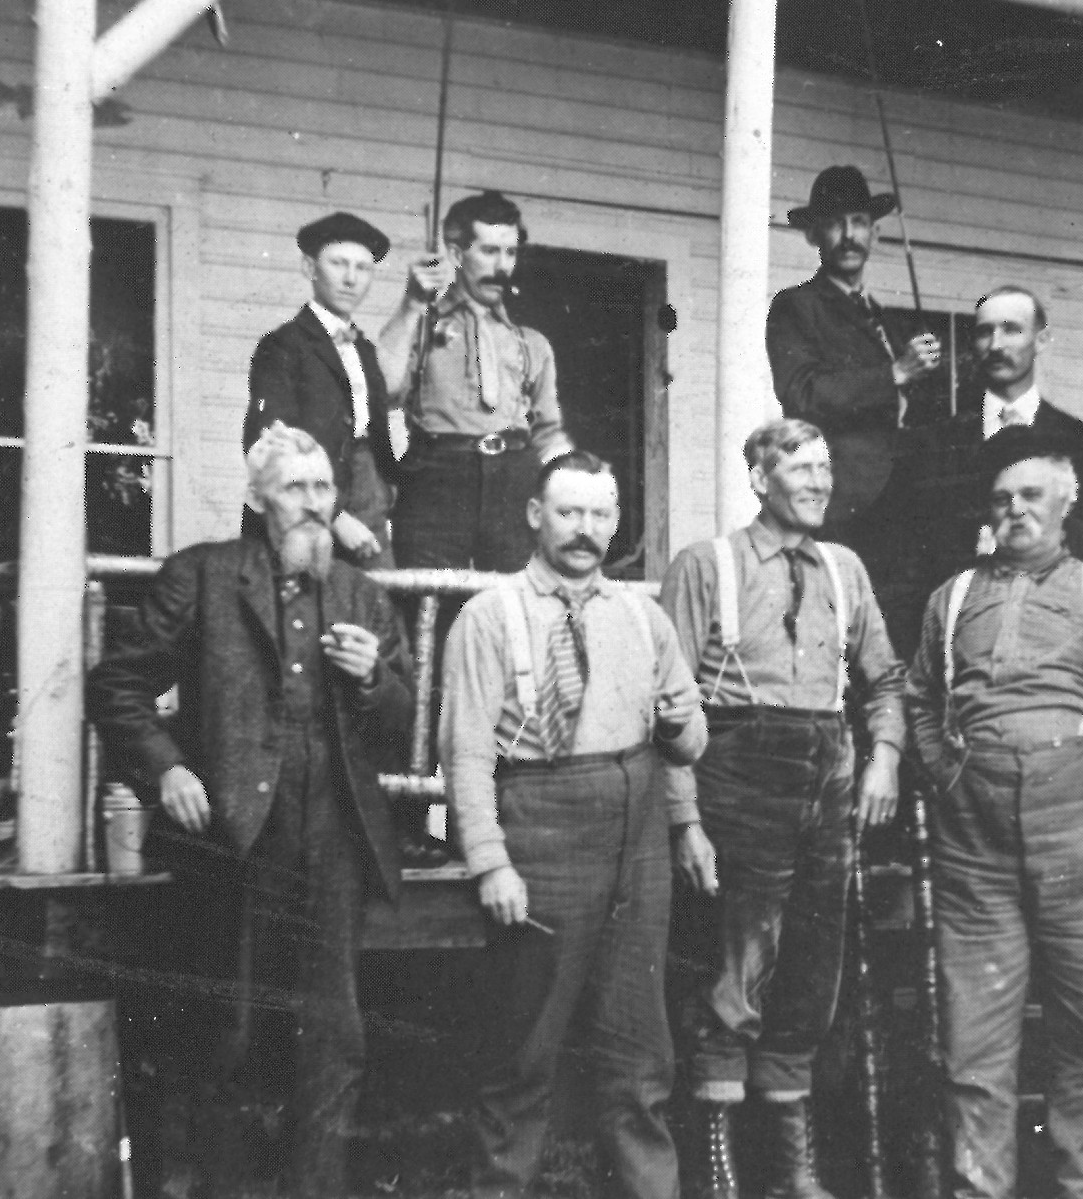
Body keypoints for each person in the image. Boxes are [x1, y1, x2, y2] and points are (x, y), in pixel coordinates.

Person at [89, 422, 412, 1198]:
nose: (313, 505)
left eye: (324, 489)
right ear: (255, 497)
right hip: (234, 839)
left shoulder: (362, 595)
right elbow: (117, 688)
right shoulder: (203, 576)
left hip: (337, 838)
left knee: (334, 1039)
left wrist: (375, 680)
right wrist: (166, 769)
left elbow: (401, 731)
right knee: (225, 1033)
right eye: (296, 489)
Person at [904, 425, 1083, 1199]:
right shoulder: (950, 599)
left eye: (1030, 496)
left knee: (1080, 1032)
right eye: (1001, 499)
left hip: (1082, 827)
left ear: (1066, 502)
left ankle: (1076, 1187)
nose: (1013, 511)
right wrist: (944, 768)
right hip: (975, 836)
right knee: (972, 1039)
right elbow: (923, 699)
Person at [439, 450, 709, 1199]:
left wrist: (684, 725)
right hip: (541, 828)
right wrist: (491, 862)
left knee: (640, 1054)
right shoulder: (489, 618)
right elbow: (464, 755)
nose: (584, 530)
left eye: (599, 514)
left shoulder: (642, 616)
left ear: (615, 522)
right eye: (568, 512)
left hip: (638, 833)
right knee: (522, 1056)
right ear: (535, 516)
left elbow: (687, 742)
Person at [659, 419, 907, 1199]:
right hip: (737, 772)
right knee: (735, 971)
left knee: (809, 973)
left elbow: (887, 682)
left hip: (827, 777)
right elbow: (663, 703)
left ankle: (793, 1174)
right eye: (800, 469)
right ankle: (721, 1173)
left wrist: (886, 757)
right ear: (760, 480)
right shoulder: (709, 566)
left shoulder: (845, 569)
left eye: (826, 468)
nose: (819, 482)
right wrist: (683, 819)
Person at [895, 285, 1083, 651]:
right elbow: (913, 551)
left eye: (1011, 330)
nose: (996, 344)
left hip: (1052, 630)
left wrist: (1037, 542)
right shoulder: (939, 441)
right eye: (985, 332)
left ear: (1041, 340)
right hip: (965, 633)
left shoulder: (1076, 439)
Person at [374, 190, 573, 571]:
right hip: (437, 479)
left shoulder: (530, 342)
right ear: (455, 253)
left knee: (510, 604)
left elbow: (549, 434)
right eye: (489, 251)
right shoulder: (420, 324)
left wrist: (572, 492)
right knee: (428, 604)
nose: (502, 266)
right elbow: (384, 391)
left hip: (513, 481)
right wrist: (412, 305)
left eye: (510, 253)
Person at [765, 165, 944, 546]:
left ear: (874, 234)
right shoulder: (796, 306)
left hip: (904, 505)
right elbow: (803, 394)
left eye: (859, 222)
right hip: (841, 506)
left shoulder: (884, 320)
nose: (849, 236)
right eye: (835, 224)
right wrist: (893, 374)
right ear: (814, 234)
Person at [244, 211, 402, 566]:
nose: (351, 279)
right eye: (339, 264)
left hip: (369, 500)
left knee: (372, 608)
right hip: (306, 503)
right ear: (309, 267)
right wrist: (335, 516)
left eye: (363, 268)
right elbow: (270, 441)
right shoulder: (282, 346)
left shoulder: (366, 351)